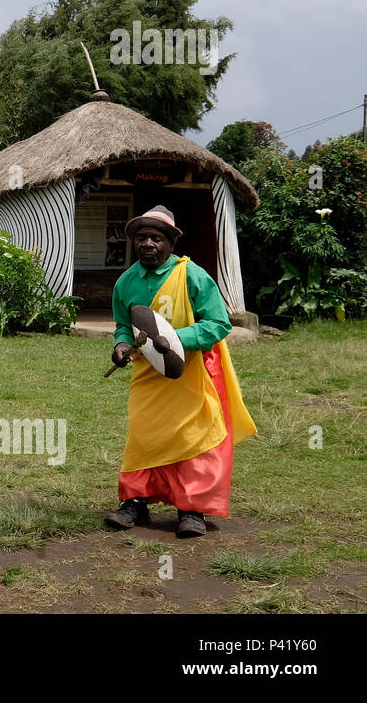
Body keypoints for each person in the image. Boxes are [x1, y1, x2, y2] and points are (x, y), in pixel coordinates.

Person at [105, 205, 256, 538]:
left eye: (156, 238)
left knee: (191, 438)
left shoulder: (192, 276)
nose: (148, 244)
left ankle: (191, 509)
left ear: (170, 243)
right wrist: (121, 346)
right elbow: (122, 325)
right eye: (142, 237)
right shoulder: (125, 283)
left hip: (190, 373)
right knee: (144, 436)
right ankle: (135, 502)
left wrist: (173, 340)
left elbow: (218, 324)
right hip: (148, 377)